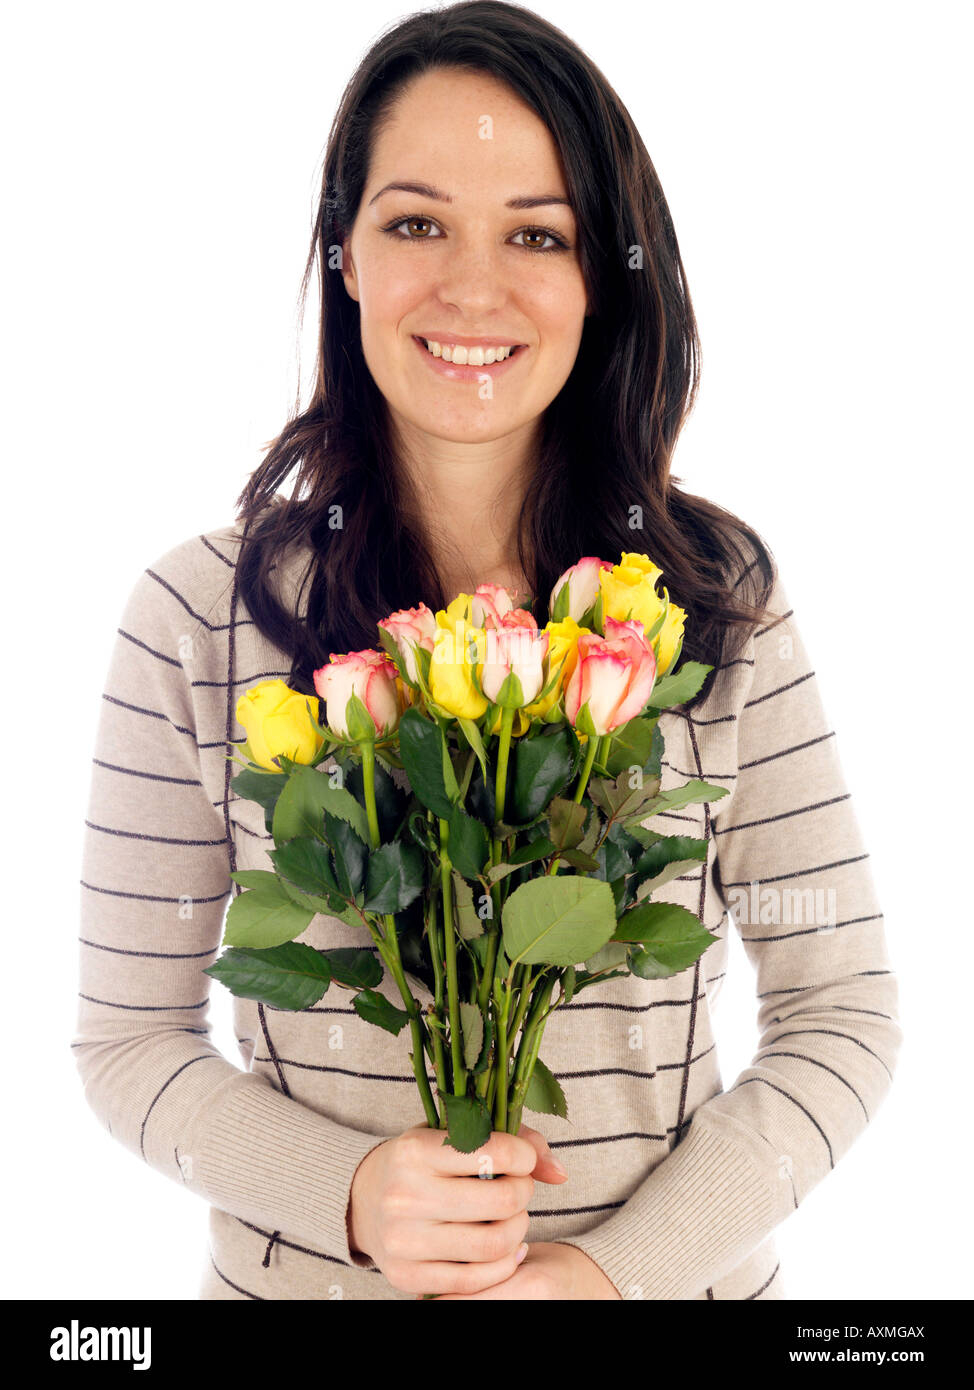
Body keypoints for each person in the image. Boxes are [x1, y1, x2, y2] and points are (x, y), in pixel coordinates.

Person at [73, 0, 901, 1301]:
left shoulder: (714, 599)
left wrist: (605, 1272)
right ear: (341, 250)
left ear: (602, 272)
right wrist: (346, 1194)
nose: (472, 287)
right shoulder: (195, 614)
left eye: (536, 232)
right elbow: (126, 1042)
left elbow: (840, 1013)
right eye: (414, 223)